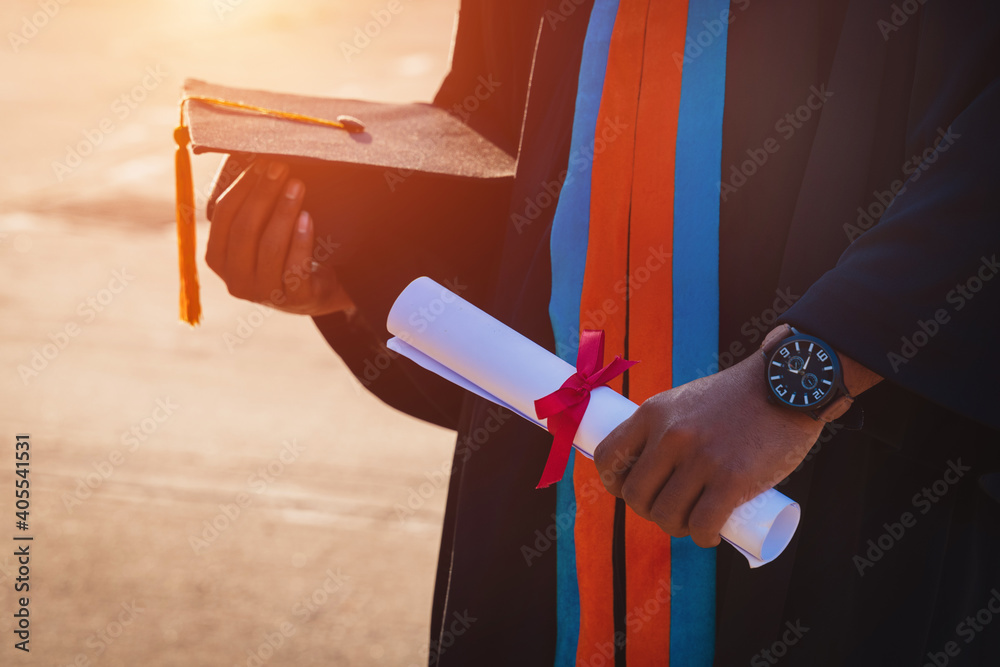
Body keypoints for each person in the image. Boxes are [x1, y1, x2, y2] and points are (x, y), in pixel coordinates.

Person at [205, 0, 1000, 664]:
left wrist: (800, 376)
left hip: (850, 497)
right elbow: (499, 137)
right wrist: (355, 263)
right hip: (548, 524)